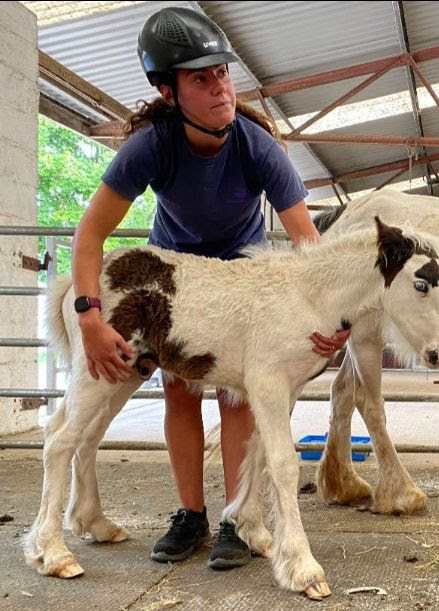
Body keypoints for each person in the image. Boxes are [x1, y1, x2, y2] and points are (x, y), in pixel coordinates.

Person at [70, 6, 349, 570]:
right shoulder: (152, 145)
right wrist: (90, 316)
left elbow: (308, 245)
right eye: (201, 78)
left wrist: (334, 322)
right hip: (175, 277)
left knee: (240, 393)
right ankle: (191, 515)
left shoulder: (257, 146)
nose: (221, 87)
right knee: (179, 392)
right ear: (170, 93)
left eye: (222, 73)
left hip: (238, 278)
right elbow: (89, 233)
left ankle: (238, 517)